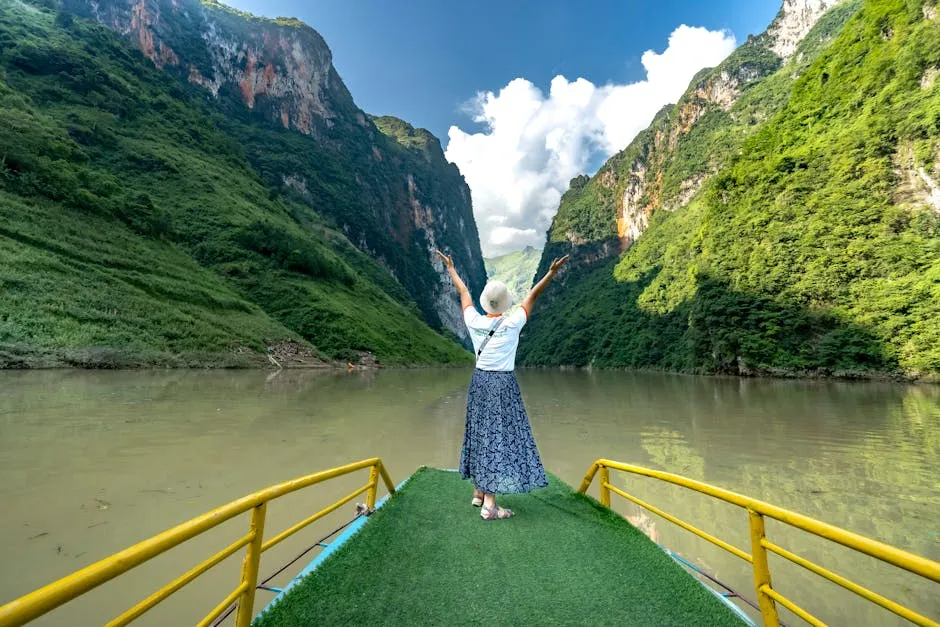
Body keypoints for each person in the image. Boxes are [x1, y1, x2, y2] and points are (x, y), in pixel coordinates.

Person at [435, 249, 569, 520]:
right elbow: (533, 295)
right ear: (505, 304)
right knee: (497, 437)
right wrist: (552, 273)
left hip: (480, 382)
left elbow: (463, 294)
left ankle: (479, 491)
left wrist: (450, 268)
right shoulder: (513, 323)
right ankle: (490, 506)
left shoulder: (473, 321)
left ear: (486, 303)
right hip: (502, 384)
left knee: (479, 431)